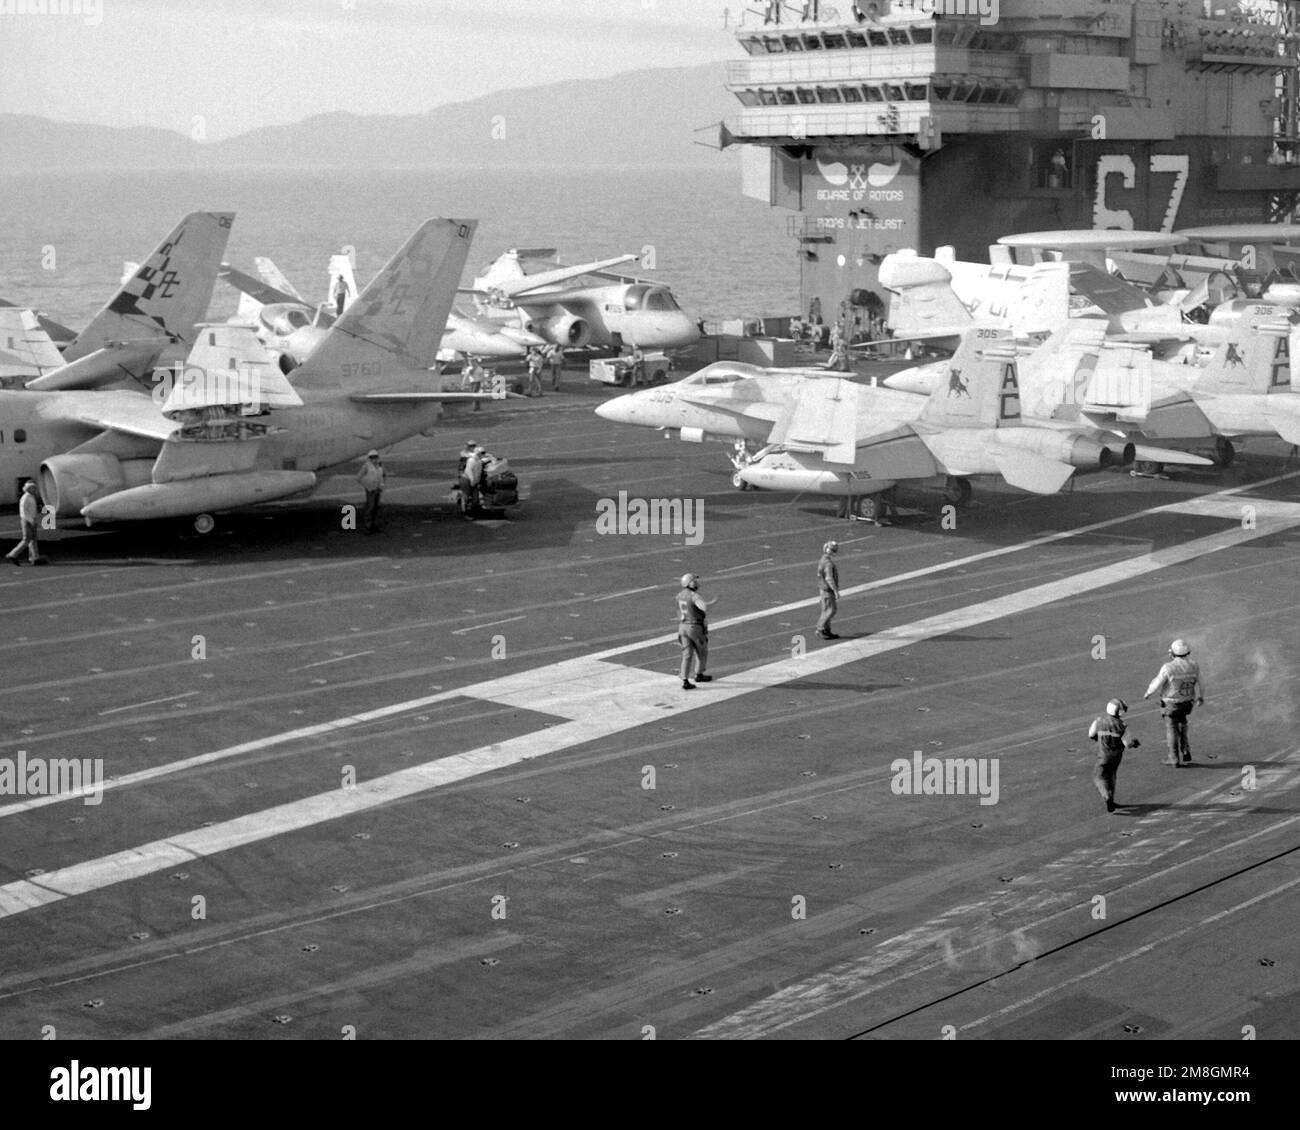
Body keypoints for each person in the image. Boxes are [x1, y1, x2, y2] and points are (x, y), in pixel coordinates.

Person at [1144, 639, 1205, 766]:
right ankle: (1185, 748)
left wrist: (1148, 693)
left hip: (1171, 704)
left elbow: (1157, 682)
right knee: (1183, 722)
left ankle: (1174, 758)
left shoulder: (1168, 667)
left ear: (1171, 653)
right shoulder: (1194, 665)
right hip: (1187, 703)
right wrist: (1201, 697)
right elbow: (1201, 683)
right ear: (1188, 652)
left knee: (1171, 728)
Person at [1088, 698, 1140, 813]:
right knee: (1111, 776)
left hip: (1103, 755)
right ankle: (1112, 798)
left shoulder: (1099, 721)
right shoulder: (1122, 725)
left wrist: (1099, 738)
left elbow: (1091, 734)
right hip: (1116, 756)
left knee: (1099, 777)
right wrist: (1134, 743)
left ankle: (1107, 797)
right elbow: (1128, 744)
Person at [676, 573, 717, 690]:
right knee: (702, 651)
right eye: (694, 581)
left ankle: (685, 680)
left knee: (687, 654)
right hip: (694, 627)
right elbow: (704, 607)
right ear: (690, 583)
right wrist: (713, 603)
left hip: (682, 626)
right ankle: (699, 674)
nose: (697, 583)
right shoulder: (694, 596)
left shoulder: (679, 596)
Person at [6, 480, 44, 566]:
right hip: (27, 521)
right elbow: (24, 512)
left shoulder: (30, 497)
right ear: (28, 489)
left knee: (33, 539)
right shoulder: (26, 498)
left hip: (31, 520)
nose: (34, 489)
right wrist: (31, 521)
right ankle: (13, 554)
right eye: (32, 488)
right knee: (27, 539)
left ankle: (35, 558)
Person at [356, 450, 386, 533]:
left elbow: (384, 474)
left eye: (375, 457)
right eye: (372, 458)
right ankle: (367, 526)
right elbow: (358, 478)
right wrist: (367, 486)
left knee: (376, 507)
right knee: (370, 507)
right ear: (369, 458)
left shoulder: (380, 465)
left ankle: (374, 525)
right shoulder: (366, 466)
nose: (374, 459)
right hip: (370, 490)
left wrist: (382, 484)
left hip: (377, 489)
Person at [816, 540, 840, 640]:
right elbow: (829, 578)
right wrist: (835, 591)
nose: (834, 552)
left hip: (823, 588)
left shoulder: (823, 559)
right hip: (827, 589)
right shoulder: (828, 563)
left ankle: (827, 630)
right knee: (831, 610)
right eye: (833, 550)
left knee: (827, 609)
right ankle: (820, 628)